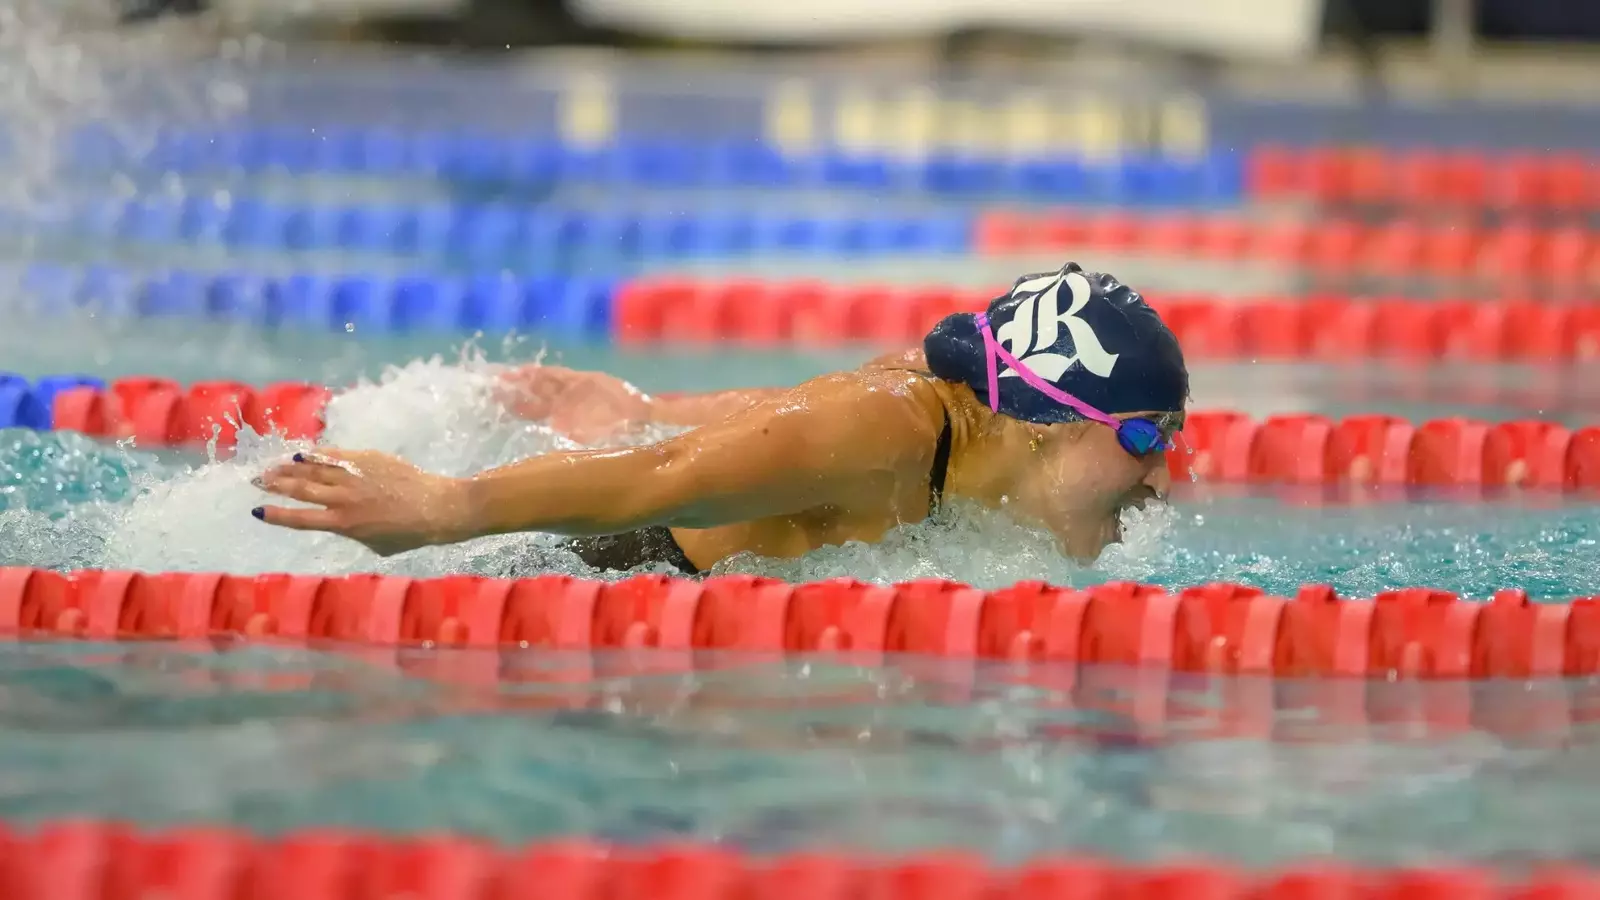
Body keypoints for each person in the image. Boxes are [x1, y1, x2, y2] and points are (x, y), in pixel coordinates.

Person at [250, 262, 1189, 572]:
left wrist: (646, 406)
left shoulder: (959, 416)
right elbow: (673, 480)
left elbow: (782, 421)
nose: (1160, 474)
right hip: (606, 584)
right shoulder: (897, 426)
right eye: (1146, 436)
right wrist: (444, 507)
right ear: (1045, 417)